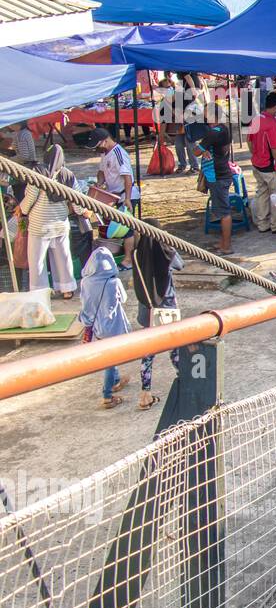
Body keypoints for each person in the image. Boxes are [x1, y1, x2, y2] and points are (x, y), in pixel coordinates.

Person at [16, 145, 78, 299]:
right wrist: (83, 212)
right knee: (63, 258)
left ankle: (40, 293)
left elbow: (30, 198)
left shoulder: (39, 173)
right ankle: (67, 289)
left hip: (40, 225)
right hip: (60, 224)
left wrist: (21, 210)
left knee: (37, 261)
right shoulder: (68, 175)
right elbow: (78, 200)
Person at [132, 228, 182, 410]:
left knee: (148, 353)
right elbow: (179, 264)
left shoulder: (137, 253)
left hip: (146, 309)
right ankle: (184, 380)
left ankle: (145, 393)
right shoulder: (165, 253)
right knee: (175, 348)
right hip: (166, 307)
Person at [78, 245, 131, 410]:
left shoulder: (85, 282)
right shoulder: (113, 282)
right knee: (111, 360)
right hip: (114, 326)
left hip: (97, 327)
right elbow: (123, 299)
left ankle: (116, 381)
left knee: (109, 357)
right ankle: (107, 395)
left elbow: (85, 307)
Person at [91, 128, 137, 271]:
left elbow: (127, 177)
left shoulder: (119, 153)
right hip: (114, 195)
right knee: (130, 226)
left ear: (105, 140)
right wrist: (99, 183)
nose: (98, 149)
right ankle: (137, 251)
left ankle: (128, 259)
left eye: (98, 145)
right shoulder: (105, 154)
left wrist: (128, 199)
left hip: (126, 195)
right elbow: (101, 172)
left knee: (126, 230)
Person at [248, 91, 276, 234]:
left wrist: (255, 154)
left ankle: (263, 224)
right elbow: (275, 149)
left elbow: (249, 141)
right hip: (269, 166)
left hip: (257, 163)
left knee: (262, 193)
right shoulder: (271, 123)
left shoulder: (256, 119)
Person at [198, 108, 235, 255]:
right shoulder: (224, 129)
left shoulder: (213, 132)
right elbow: (222, 149)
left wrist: (202, 149)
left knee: (224, 212)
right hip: (221, 173)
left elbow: (195, 150)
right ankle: (222, 243)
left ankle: (226, 247)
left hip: (218, 175)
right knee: (221, 211)